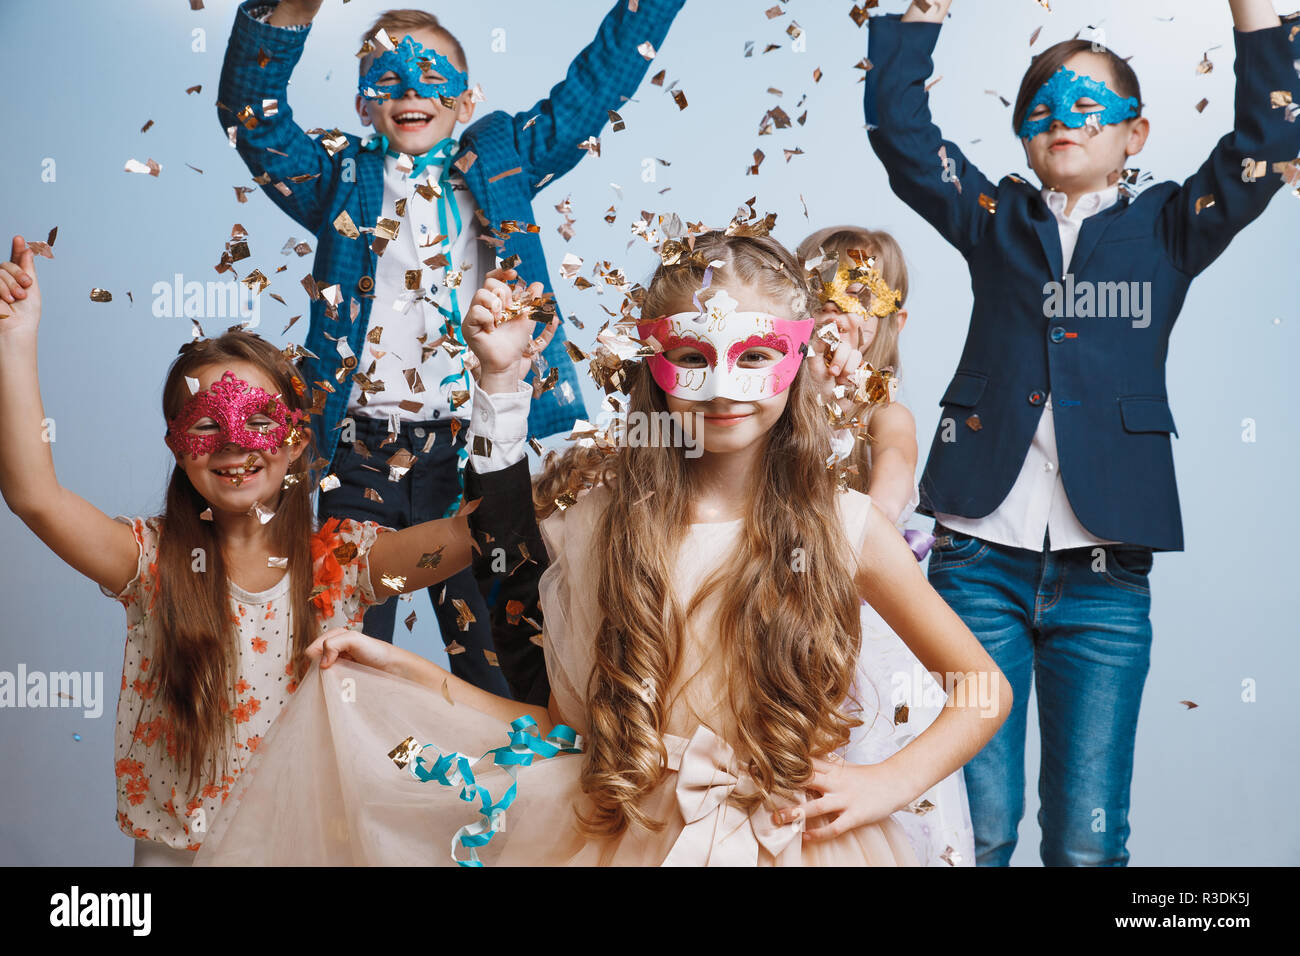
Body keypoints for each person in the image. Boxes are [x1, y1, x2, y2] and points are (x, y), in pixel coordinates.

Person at [195, 230, 1010, 866]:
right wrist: (409, 673)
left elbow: (983, 690)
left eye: (755, 356)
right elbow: (561, 725)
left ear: (795, 361)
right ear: (654, 367)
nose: (723, 386)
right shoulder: (599, 528)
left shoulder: (845, 527)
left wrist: (887, 784)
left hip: (800, 845)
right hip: (634, 839)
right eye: (694, 358)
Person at [863, 0, 1300, 864]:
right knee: (972, 828)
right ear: (1025, 136)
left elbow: (1269, 147)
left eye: (1092, 105)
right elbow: (900, 133)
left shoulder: (1172, 228)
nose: (1068, 118)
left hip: (1106, 576)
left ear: (1135, 134)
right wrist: (918, 17)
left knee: (1085, 840)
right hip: (976, 561)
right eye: (1046, 106)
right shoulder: (993, 219)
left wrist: (1257, 17)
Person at [217, 0, 686, 691]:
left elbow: (593, 92)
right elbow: (250, 116)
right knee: (341, 666)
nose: (412, 92)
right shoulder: (338, 177)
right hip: (361, 460)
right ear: (361, 103)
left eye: (433, 78)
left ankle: (505, 801)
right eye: (392, 78)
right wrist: (282, 15)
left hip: (475, 455)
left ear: (467, 99)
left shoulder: (506, 157)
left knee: (499, 664)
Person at [0, 237, 476, 865]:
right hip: (179, 854)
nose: (233, 445)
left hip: (306, 846)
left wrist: (500, 382)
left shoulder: (352, 563)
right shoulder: (149, 562)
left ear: (298, 441)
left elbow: (477, 534)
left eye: (258, 422)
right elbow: (34, 496)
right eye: (204, 424)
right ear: (175, 443)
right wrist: (16, 338)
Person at [795, 224, 975, 866]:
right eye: (821, 293)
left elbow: (896, 461)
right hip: (790, 616)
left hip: (874, 625)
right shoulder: (774, 405)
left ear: (892, 320)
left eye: (860, 298)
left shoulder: (884, 413)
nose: (838, 312)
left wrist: (879, 516)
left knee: (880, 762)